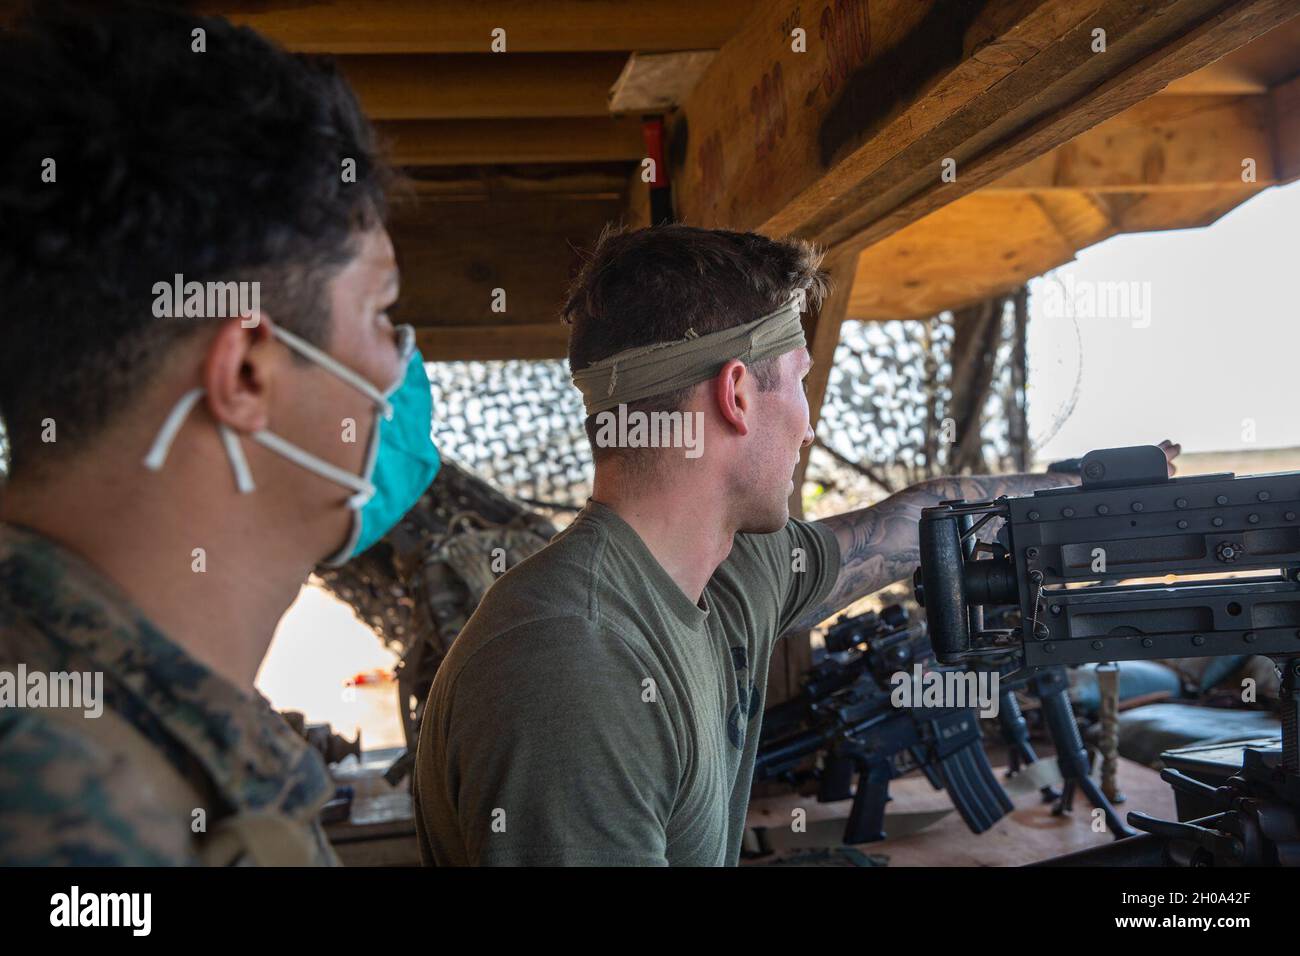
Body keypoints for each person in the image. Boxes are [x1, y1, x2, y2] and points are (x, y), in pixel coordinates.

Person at [413, 223, 1179, 866]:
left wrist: (1088, 498)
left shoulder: (723, 573)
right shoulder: (577, 666)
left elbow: (917, 523)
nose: (809, 425)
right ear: (738, 395)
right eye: (800, 384)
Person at [0, 1, 439, 865]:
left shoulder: (142, 741)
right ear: (247, 374)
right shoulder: (72, 809)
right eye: (382, 314)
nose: (401, 365)